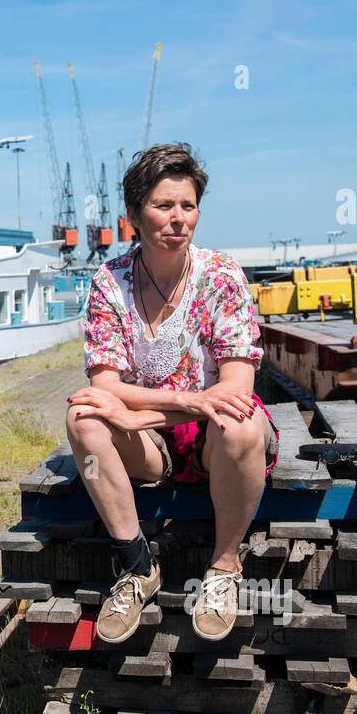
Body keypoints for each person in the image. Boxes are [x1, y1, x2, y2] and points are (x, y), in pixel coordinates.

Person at [66, 143, 280, 644]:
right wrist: (185, 403)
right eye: (164, 205)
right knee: (83, 418)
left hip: (212, 440)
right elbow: (105, 386)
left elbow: (235, 387)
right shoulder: (110, 283)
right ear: (134, 214)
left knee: (241, 420)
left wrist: (141, 413)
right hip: (153, 444)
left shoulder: (220, 276)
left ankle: (224, 567)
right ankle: (137, 565)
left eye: (188, 205)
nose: (179, 218)